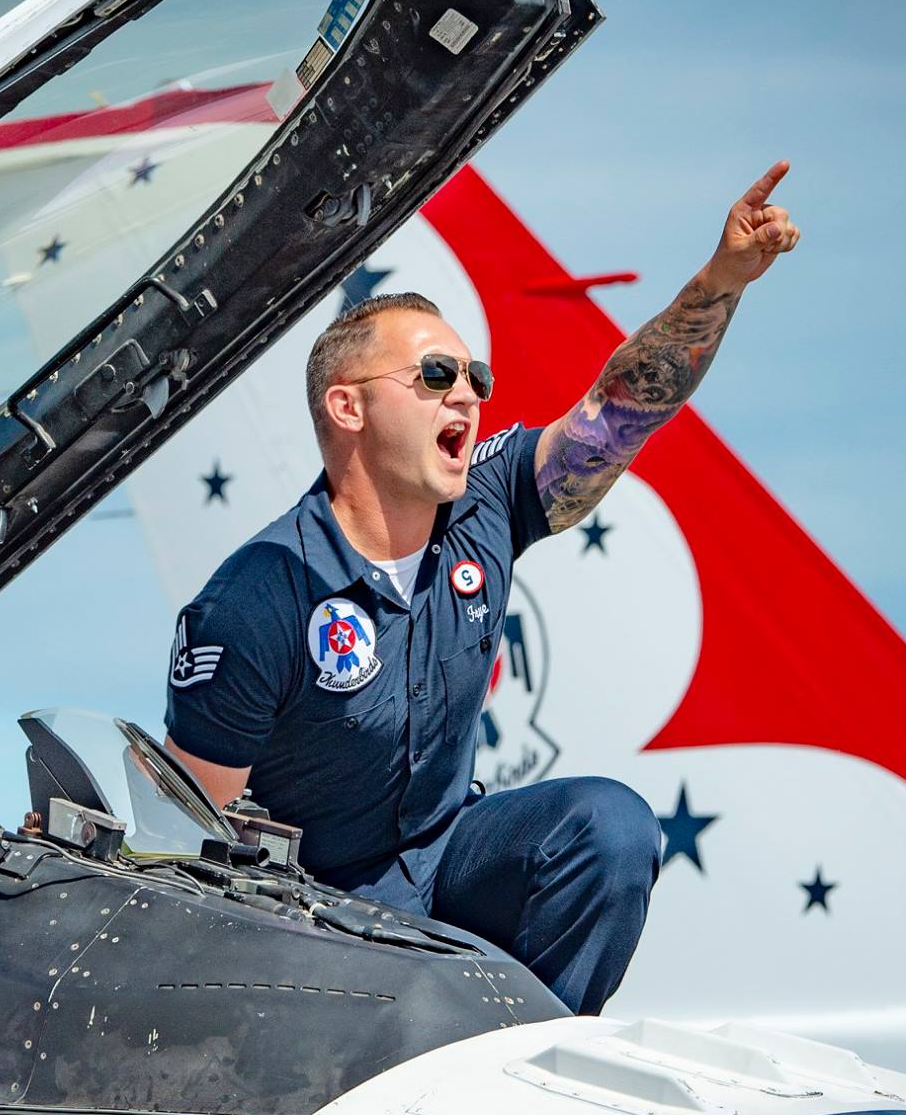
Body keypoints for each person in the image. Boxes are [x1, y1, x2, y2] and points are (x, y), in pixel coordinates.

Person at [164, 162, 801, 1014]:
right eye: (435, 377)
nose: (466, 394)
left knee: (610, 826)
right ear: (348, 409)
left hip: (449, 855)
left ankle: (534, 1052)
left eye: (476, 378)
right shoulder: (257, 597)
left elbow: (620, 410)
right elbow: (188, 835)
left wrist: (721, 281)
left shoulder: (487, 503)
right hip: (318, 917)